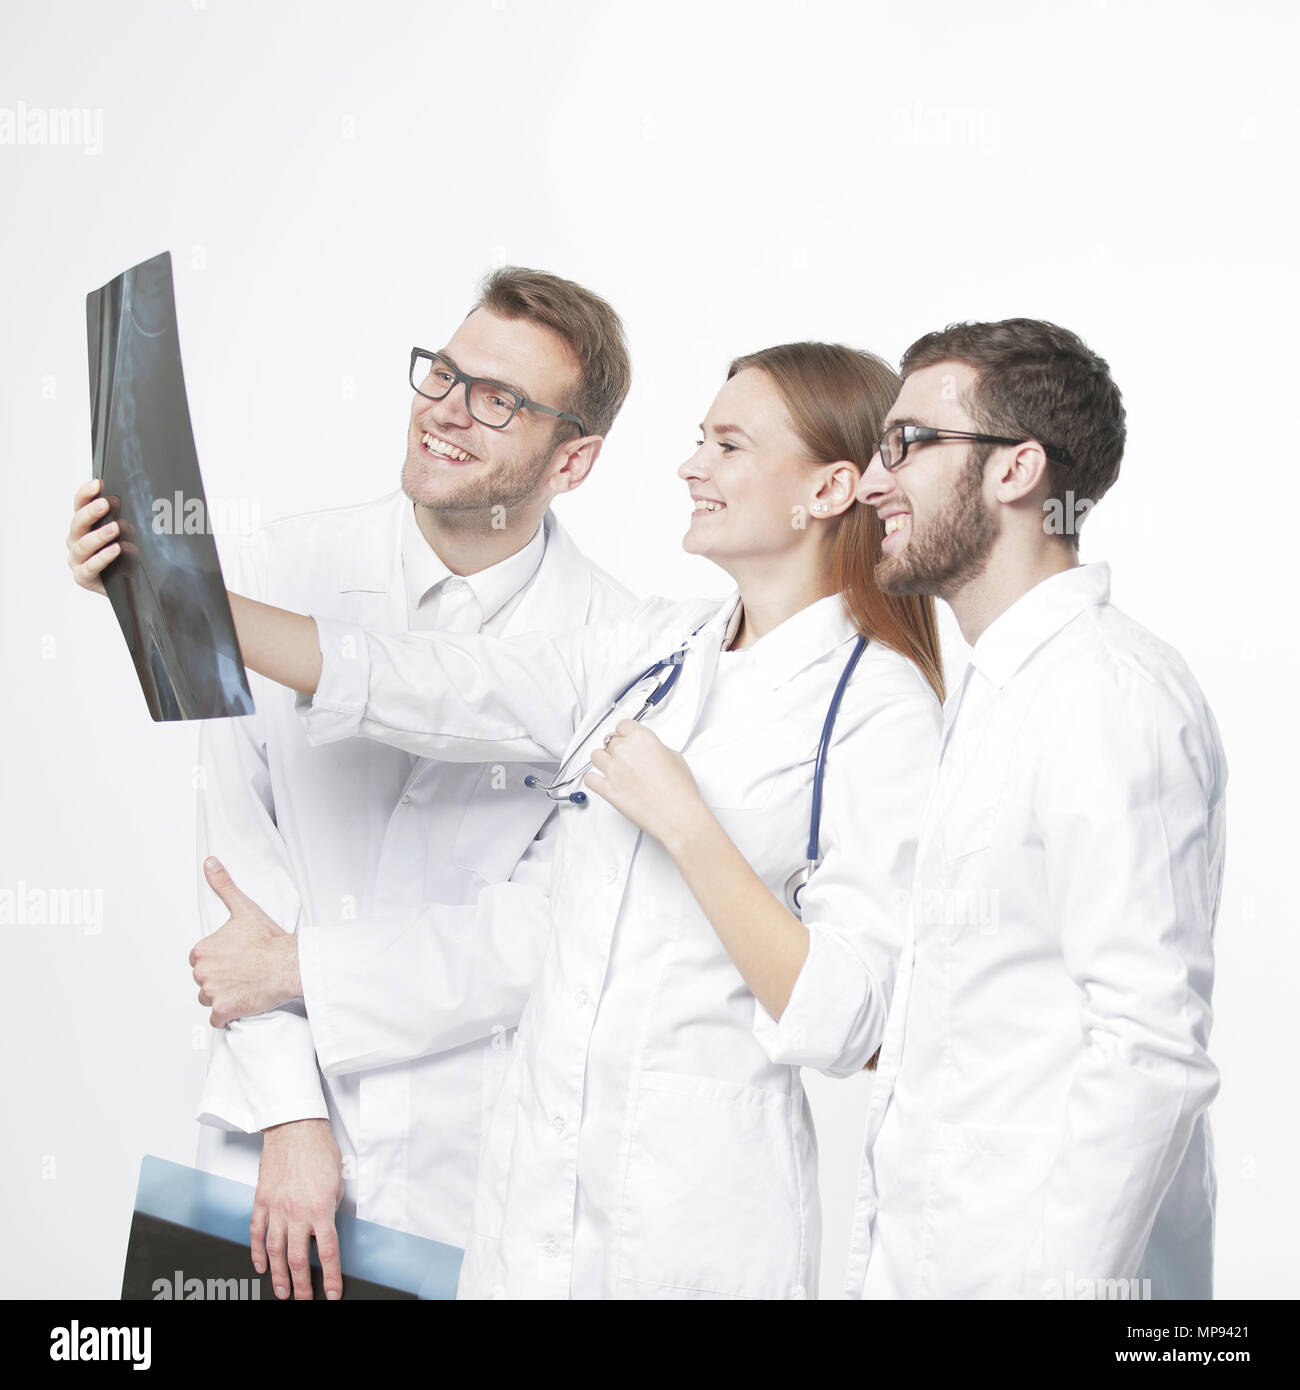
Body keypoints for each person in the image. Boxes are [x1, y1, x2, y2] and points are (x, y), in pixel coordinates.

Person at [183, 341, 946, 1298]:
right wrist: (177, 594)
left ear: (830, 488)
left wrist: (689, 827)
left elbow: (847, 1022)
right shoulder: (652, 647)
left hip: (693, 1228)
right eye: (699, 439)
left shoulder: (880, 708)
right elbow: (417, 680)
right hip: (529, 1214)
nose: (690, 465)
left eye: (729, 445)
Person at [66, 266, 637, 1300]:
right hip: (261, 1122)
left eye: (498, 399)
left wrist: (305, 968)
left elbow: (547, 934)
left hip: (469, 1145)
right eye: (444, 374)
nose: (448, 414)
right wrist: (293, 1119)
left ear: (575, 457)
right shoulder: (275, 572)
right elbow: (240, 868)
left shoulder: (617, 647)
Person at [848, 318, 1226, 1300]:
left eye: (907, 444)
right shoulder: (1000, 691)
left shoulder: (1103, 697)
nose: (871, 481)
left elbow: (1148, 1047)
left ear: (1018, 469)